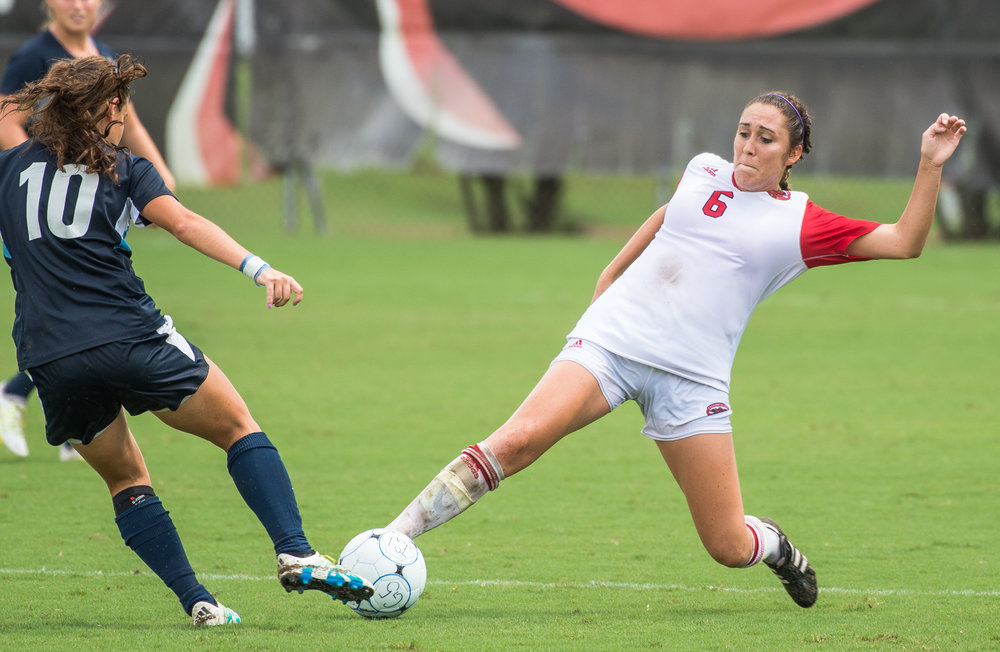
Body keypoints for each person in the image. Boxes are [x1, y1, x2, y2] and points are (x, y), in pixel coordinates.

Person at [386, 91, 967, 608]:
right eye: (744, 131)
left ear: (792, 155)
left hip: (694, 381)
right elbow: (670, 216)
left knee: (727, 545)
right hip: (613, 342)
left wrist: (927, 164)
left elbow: (904, 241)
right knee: (516, 440)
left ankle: (776, 547)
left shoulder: (801, 222)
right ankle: (390, 541)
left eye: (766, 139)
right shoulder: (702, 170)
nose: (748, 145)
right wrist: (610, 273)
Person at [0, 54, 373, 625]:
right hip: (132, 337)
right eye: (122, 110)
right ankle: (295, 551)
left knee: (127, 480)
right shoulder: (124, 168)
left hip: (50, 356)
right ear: (106, 110)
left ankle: (199, 602)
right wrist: (259, 269)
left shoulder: (5, 171)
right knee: (239, 428)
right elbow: (185, 223)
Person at [0, 0, 175, 461]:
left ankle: (34, 399)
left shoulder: (102, 52)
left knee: (87, 311)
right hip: (52, 208)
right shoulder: (36, 55)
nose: (79, 5)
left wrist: (160, 173)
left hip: (88, 198)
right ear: (49, 4)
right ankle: (28, 399)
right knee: (82, 311)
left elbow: (129, 121)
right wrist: (33, 177)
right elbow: (5, 118)